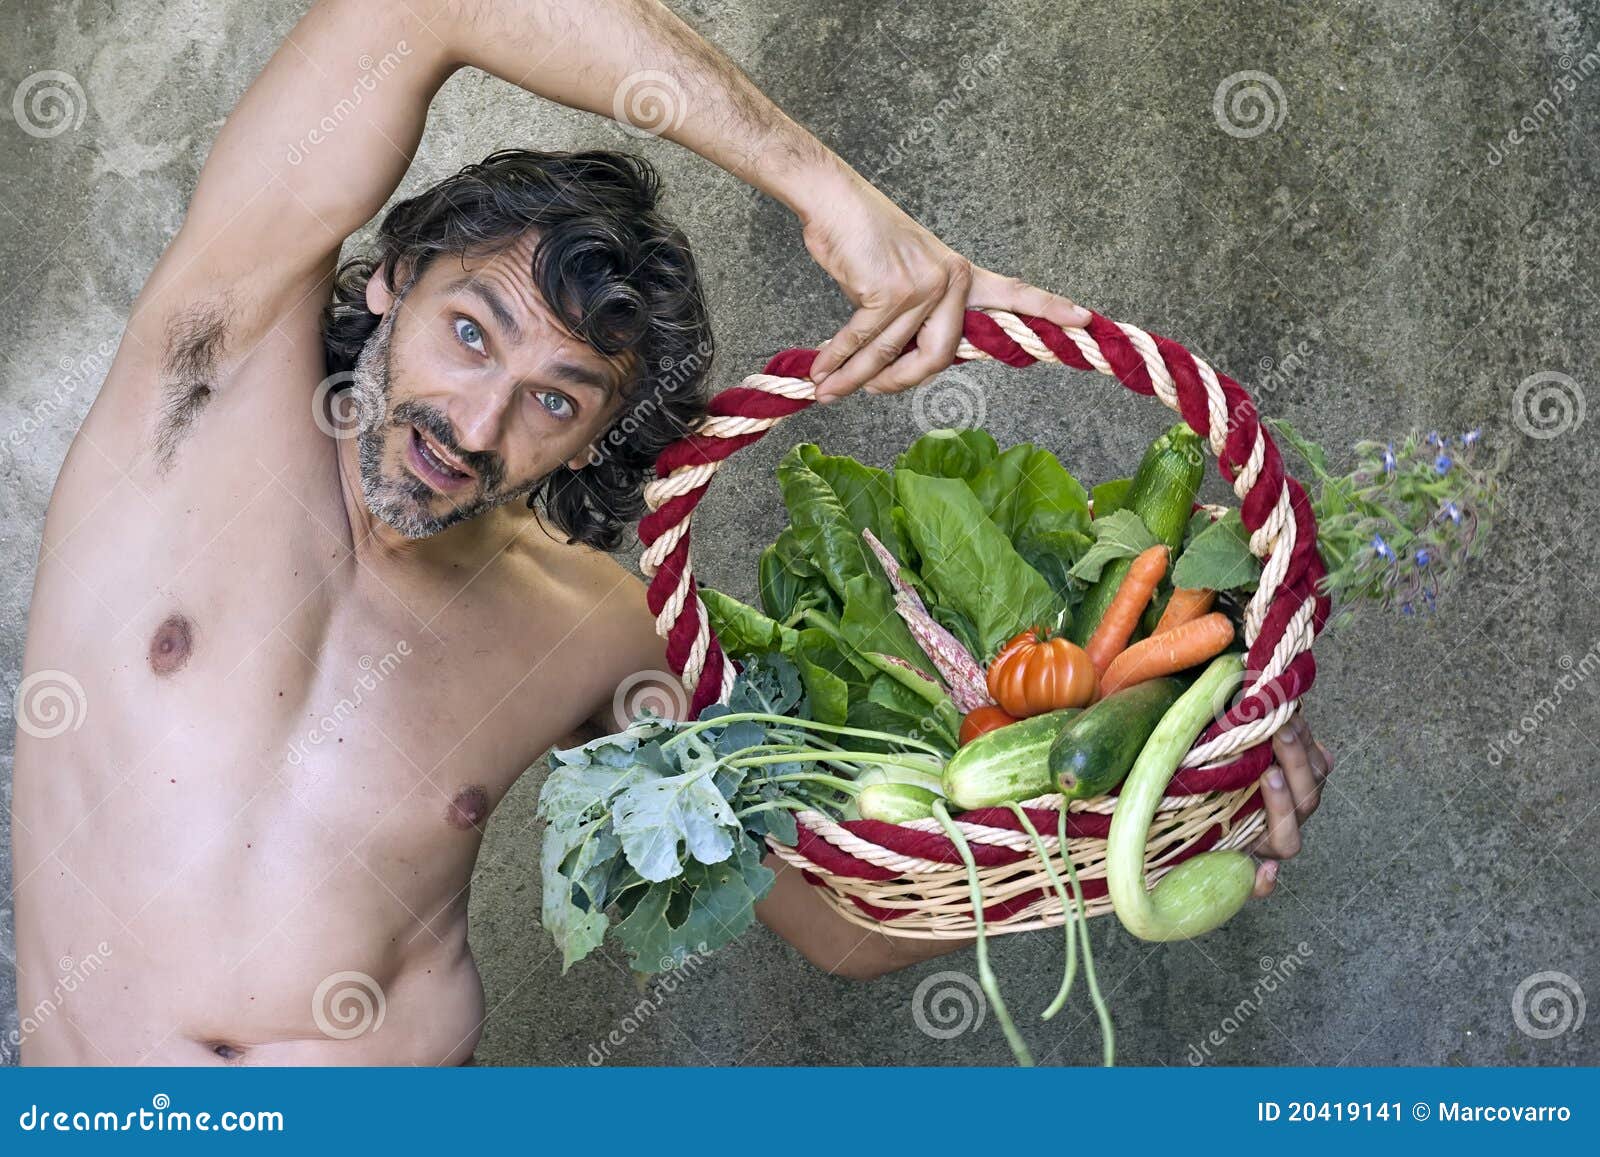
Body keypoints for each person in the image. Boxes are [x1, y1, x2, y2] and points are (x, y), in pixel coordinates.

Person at [11, 0, 1332, 1066]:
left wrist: (1162, 821)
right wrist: (832, 195)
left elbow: (837, 925)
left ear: (596, 440)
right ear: (391, 279)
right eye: (470, 332)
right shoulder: (199, 382)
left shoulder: (591, 625)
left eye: (553, 400)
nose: (474, 424)